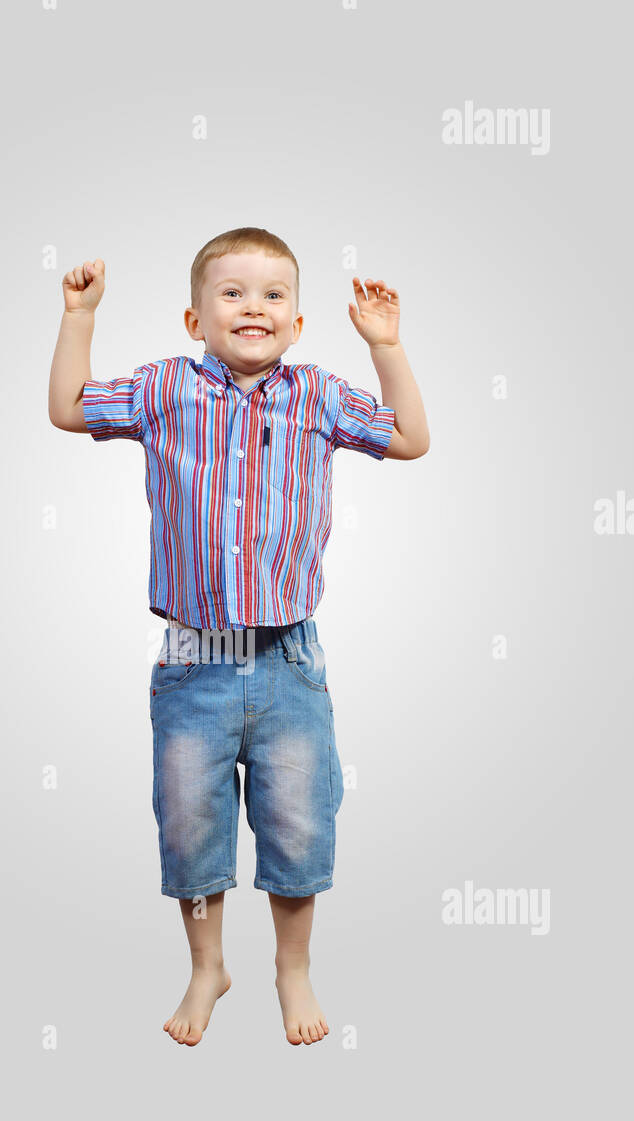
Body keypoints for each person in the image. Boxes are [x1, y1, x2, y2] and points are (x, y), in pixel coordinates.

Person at [48, 227, 429, 1047]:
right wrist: (79, 316)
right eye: (231, 293)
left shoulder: (318, 395)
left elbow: (408, 438)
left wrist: (387, 348)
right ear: (195, 319)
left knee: (297, 823)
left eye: (272, 296)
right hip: (195, 659)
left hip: (289, 657)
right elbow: (69, 408)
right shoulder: (164, 389)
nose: (251, 307)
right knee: (192, 828)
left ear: (297, 324)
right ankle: (207, 966)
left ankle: (292, 967)